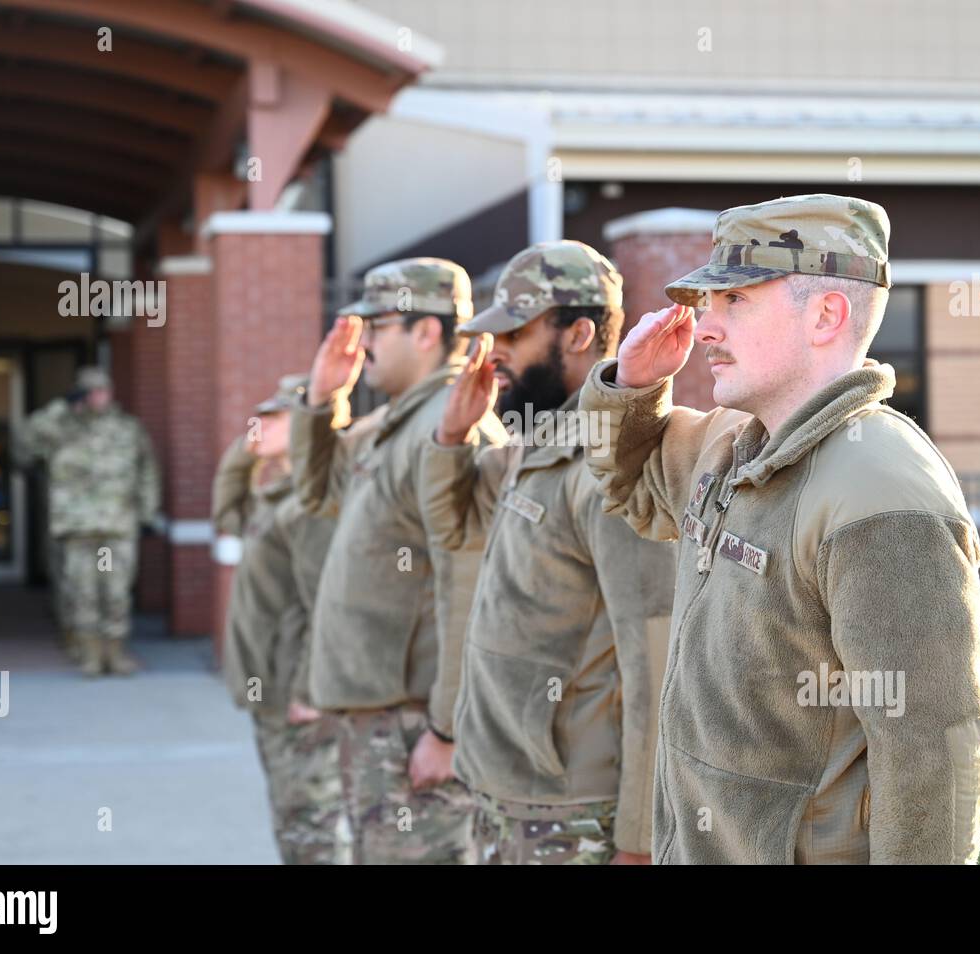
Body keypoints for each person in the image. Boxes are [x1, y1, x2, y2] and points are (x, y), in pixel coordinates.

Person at [578, 194, 980, 864]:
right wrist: (631, 386)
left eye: (735, 301)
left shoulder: (882, 492)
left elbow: (932, 753)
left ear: (826, 315)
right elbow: (631, 488)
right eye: (707, 305)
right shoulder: (732, 446)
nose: (705, 329)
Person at [420, 240, 676, 864]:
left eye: (514, 331)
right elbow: (453, 531)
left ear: (579, 333)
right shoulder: (535, 444)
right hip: (506, 796)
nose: (494, 350)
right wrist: (452, 436)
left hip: (572, 814)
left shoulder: (612, 463)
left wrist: (640, 841)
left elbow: (655, 657)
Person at [291, 258, 507, 864]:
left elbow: (474, 586)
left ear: (427, 332)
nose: (365, 344)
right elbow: (318, 494)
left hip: (414, 724)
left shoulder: (450, 429)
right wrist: (322, 399)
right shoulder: (401, 422)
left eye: (378, 326)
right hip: (384, 720)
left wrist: (446, 729)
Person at [212, 374, 348, 865]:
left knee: (311, 830)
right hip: (269, 688)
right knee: (292, 824)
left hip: (297, 692)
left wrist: (311, 690)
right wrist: (247, 448)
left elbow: (326, 604)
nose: (259, 424)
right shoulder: (277, 496)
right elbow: (226, 508)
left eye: (274, 417)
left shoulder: (311, 504)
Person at [17, 367, 159, 676]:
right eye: (90, 392)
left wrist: (148, 512)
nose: (98, 397)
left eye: (103, 390)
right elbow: (25, 441)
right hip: (79, 530)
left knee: (116, 590)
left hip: (116, 528)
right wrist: (62, 408)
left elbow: (147, 470)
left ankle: (116, 653)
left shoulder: (127, 429)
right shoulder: (61, 429)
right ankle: (89, 655)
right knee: (83, 592)